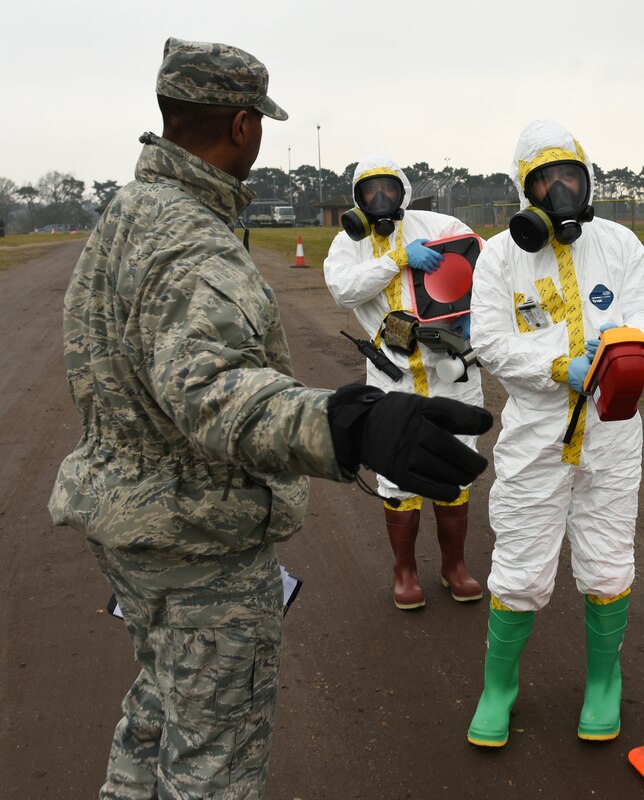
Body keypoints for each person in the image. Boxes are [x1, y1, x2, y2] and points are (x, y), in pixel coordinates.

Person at [47, 38, 492, 798]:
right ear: (243, 124)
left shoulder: (128, 212)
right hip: (197, 545)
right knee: (214, 764)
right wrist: (347, 425)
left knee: (156, 714)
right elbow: (213, 392)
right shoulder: (191, 242)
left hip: (131, 523)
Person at [465, 119, 644, 747]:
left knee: (608, 561)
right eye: (544, 180)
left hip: (612, 434)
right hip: (536, 437)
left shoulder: (621, 244)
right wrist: (556, 365)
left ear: (588, 180)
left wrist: (616, 351)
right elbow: (490, 341)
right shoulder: (501, 255)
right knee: (521, 565)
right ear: (525, 189)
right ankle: (498, 688)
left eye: (569, 177)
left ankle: (603, 684)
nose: (560, 190)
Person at [324, 156, 486, 609]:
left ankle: (454, 567)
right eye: (370, 191)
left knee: (455, 460)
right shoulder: (348, 243)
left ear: (403, 191)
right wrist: (397, 259)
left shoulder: (438, 224)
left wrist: (474, 318)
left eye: (388, 189)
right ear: (357, 197)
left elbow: (483, 266)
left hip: (449, 372)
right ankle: (405, 571)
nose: (380, 199)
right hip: (392, 373)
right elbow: (344, 292)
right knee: (397, 473)